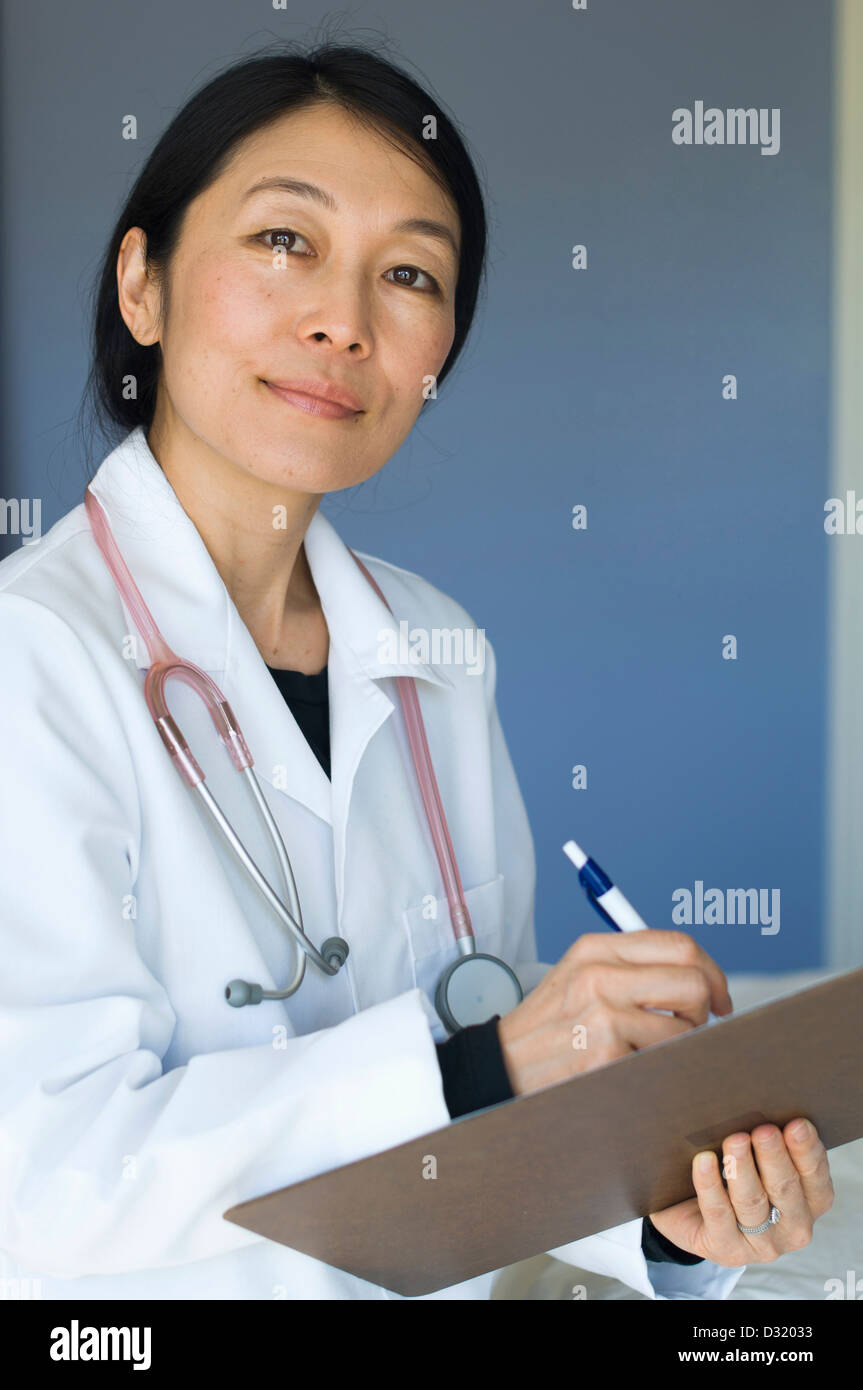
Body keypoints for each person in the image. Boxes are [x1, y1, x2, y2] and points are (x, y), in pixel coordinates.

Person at [0, 41, 833, 1301]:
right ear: (143, 285)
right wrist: (472, 1064)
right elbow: (45, 1185)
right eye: (285, 239)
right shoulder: (34, 657)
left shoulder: (431, 654)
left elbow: (496, 1116)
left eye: (408, 273)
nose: (344, 317)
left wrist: (673, 1220)